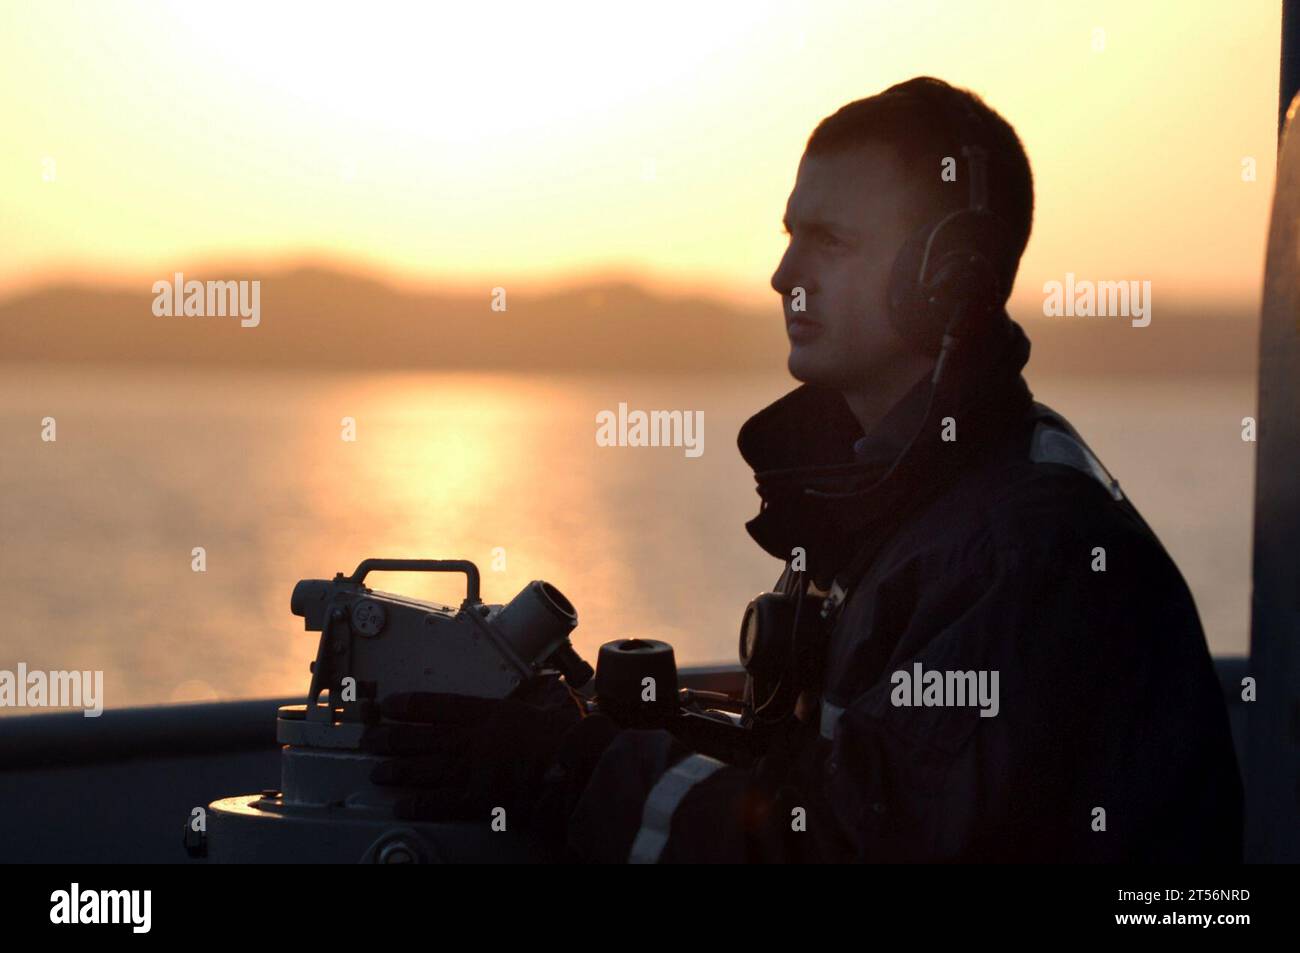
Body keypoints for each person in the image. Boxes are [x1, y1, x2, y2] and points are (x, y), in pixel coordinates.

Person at [364, 76, 1243, 863]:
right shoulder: (906, 499)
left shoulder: (1027, 553)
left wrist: (575, 767)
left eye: (826, 240)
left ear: (950, 274)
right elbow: (832, 781)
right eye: (790, 235)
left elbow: (848, 847)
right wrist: (601, 724)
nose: (782, 273)